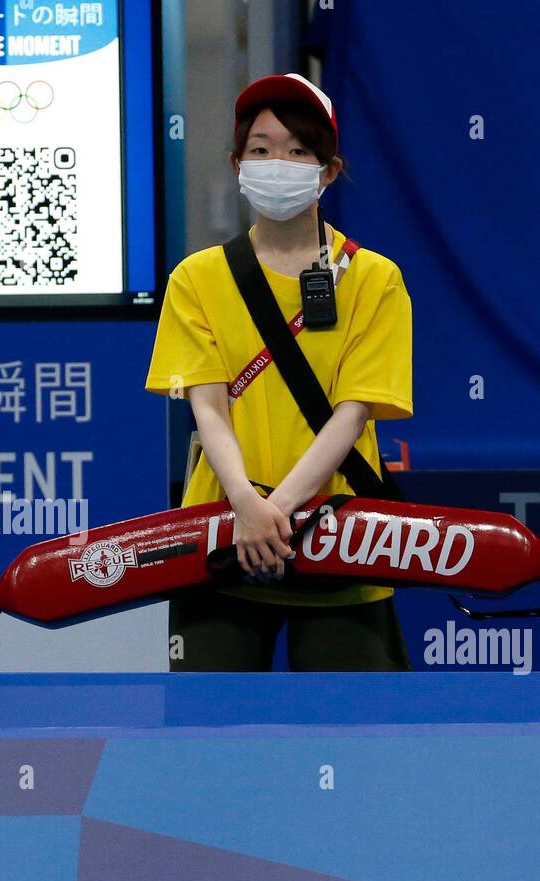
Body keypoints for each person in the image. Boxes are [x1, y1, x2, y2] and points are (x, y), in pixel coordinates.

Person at [144, 72, 413, 672]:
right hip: (220, 534)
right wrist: (246, 505)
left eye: (297, 151)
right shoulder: (196, 279)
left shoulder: (376, 279)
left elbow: (353, 413)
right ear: (237, 164)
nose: (277, 164)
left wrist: (275, 513)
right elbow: (208, 408)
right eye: (261, 149)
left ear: (328, 171)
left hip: (342, 534)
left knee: (357, 726)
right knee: (207, 726)